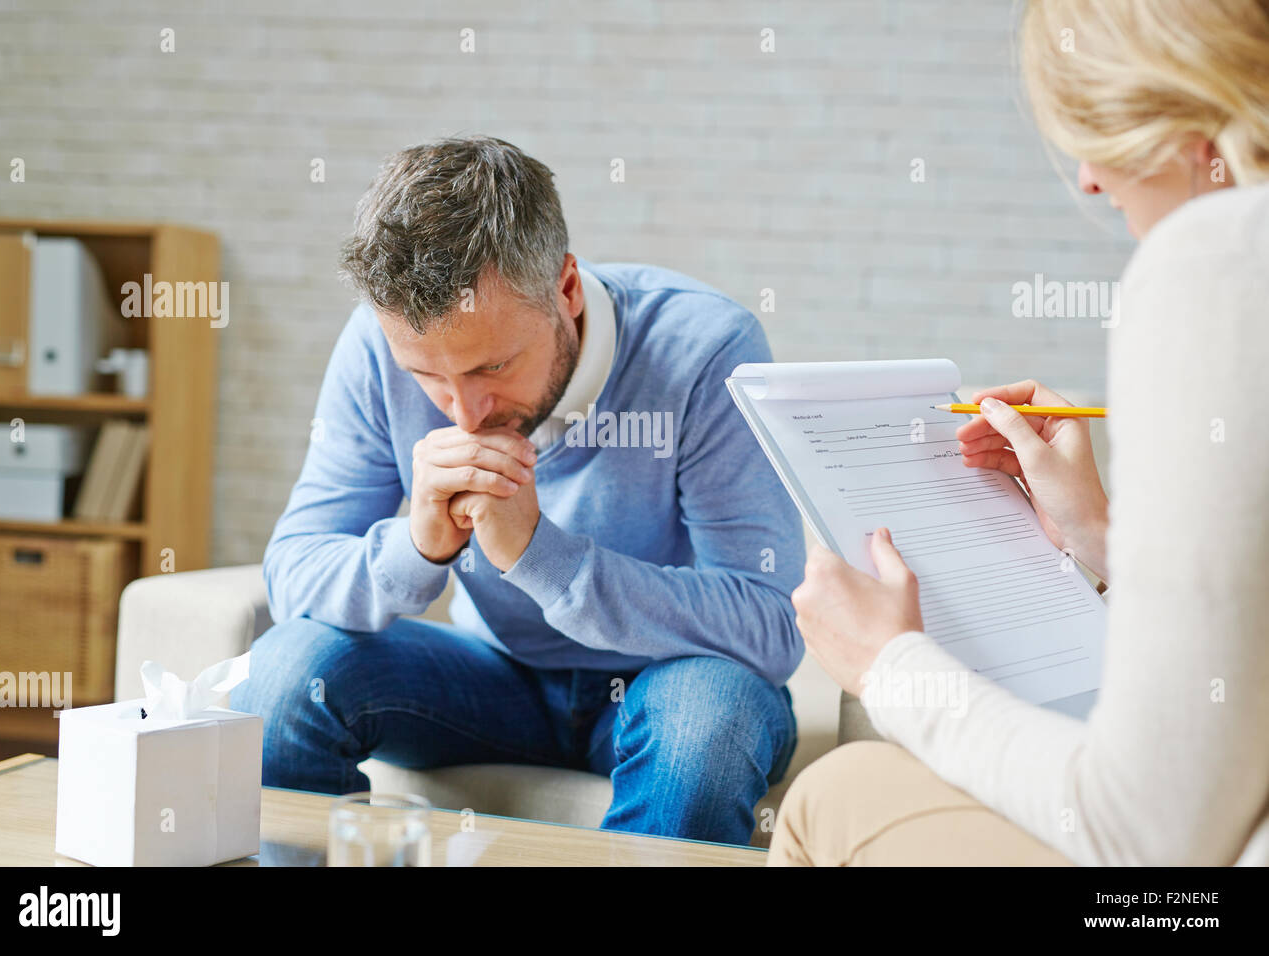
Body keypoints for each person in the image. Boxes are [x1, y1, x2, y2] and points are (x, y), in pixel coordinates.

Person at [770, 0, 1269, 866]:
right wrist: (1103, 539)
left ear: (1183, 108)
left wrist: (890, 665)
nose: (1087, 179)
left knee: (829, 796)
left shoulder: (1215, 261)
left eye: (1097, 128)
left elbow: (1146, 835)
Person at [230, 135, 803, 846]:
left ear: (564, 289)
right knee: (282, 677)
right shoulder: (378, 346)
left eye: (492, 366)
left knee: (705, 726)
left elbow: (770, 623)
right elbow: (294, 574)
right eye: (427, 378)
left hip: (667, 680)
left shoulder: (705, 348)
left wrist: (541, 555)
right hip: (492, 680)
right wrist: (417, 545)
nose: (463, 413)